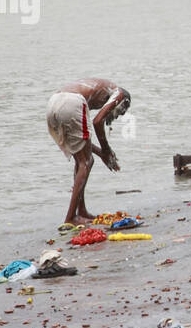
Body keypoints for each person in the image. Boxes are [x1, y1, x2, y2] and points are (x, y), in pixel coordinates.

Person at [46, 79, 131, 226]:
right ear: (124, 102)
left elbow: (84, 142)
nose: (116, 116)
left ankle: (81, 211)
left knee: (81, 161)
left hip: (53, 103)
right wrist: (106, 150)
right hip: (71, 103)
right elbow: (98, 122)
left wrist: (103, 153)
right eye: (120, 113)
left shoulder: (99, 92)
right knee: (86, 162)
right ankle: (71, 218)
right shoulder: (120, 94)